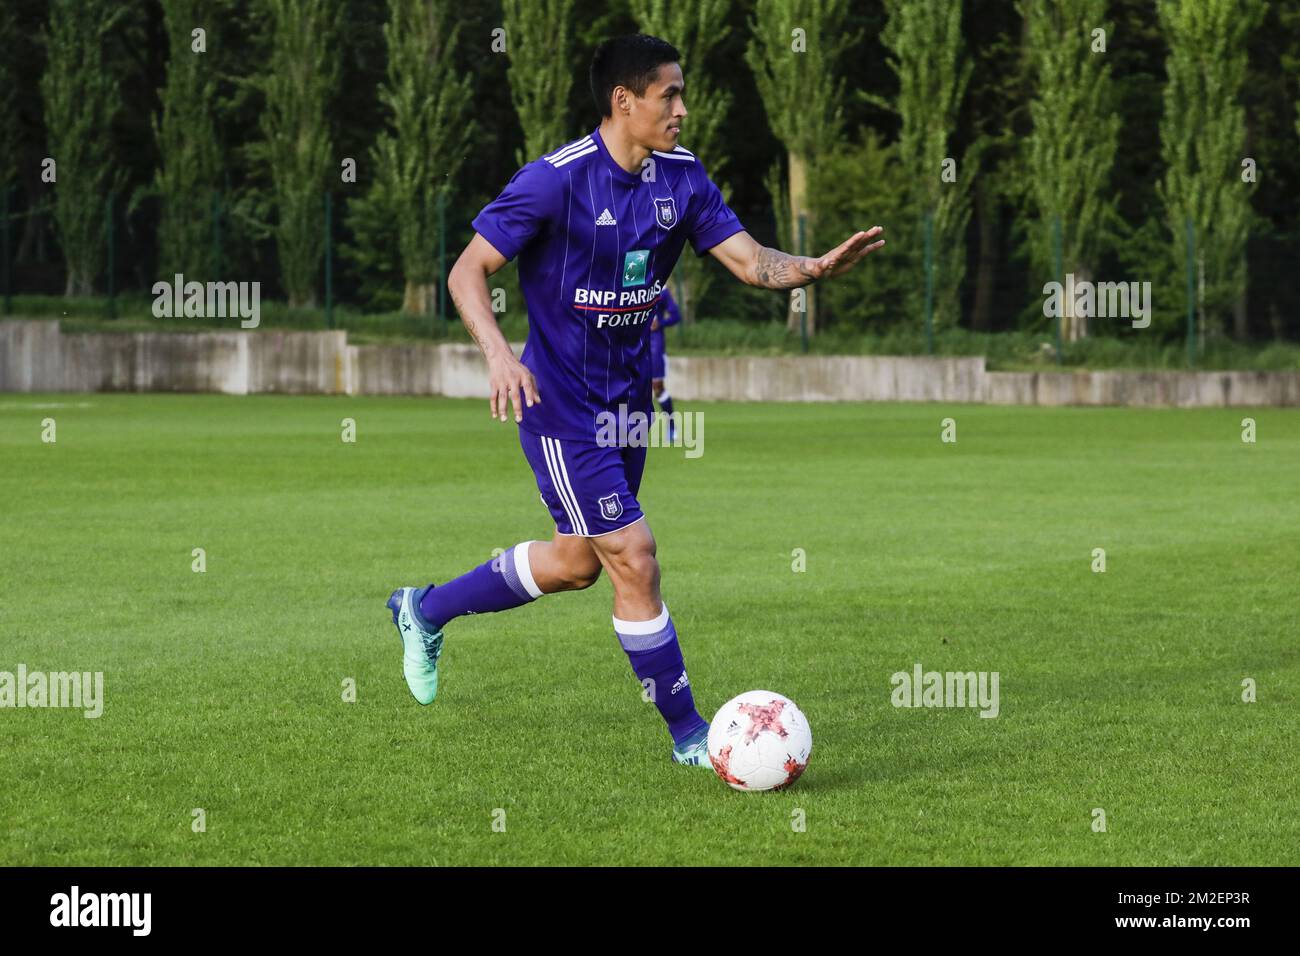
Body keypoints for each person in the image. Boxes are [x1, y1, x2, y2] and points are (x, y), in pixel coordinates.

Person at [385, 34, 884, 767]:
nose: (683, 108)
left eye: (682, 94)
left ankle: (422, 609)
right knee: (635, 555)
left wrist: (810, 267)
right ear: (625, 101)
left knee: (577, 564)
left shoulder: (681, 180)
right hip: (558, 408)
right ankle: (691, 733)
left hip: (628, 412)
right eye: (669, 95)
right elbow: (468, 271)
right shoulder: (555, 181)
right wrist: (498, 357)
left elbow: (749, 260)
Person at [650, 286, 680, 443]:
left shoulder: (662, 290)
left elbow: (676, 316)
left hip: (655, 345)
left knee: (657, 387)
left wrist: (660, 323)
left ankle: (672, 426)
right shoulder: (632, 283)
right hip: (633, 344)